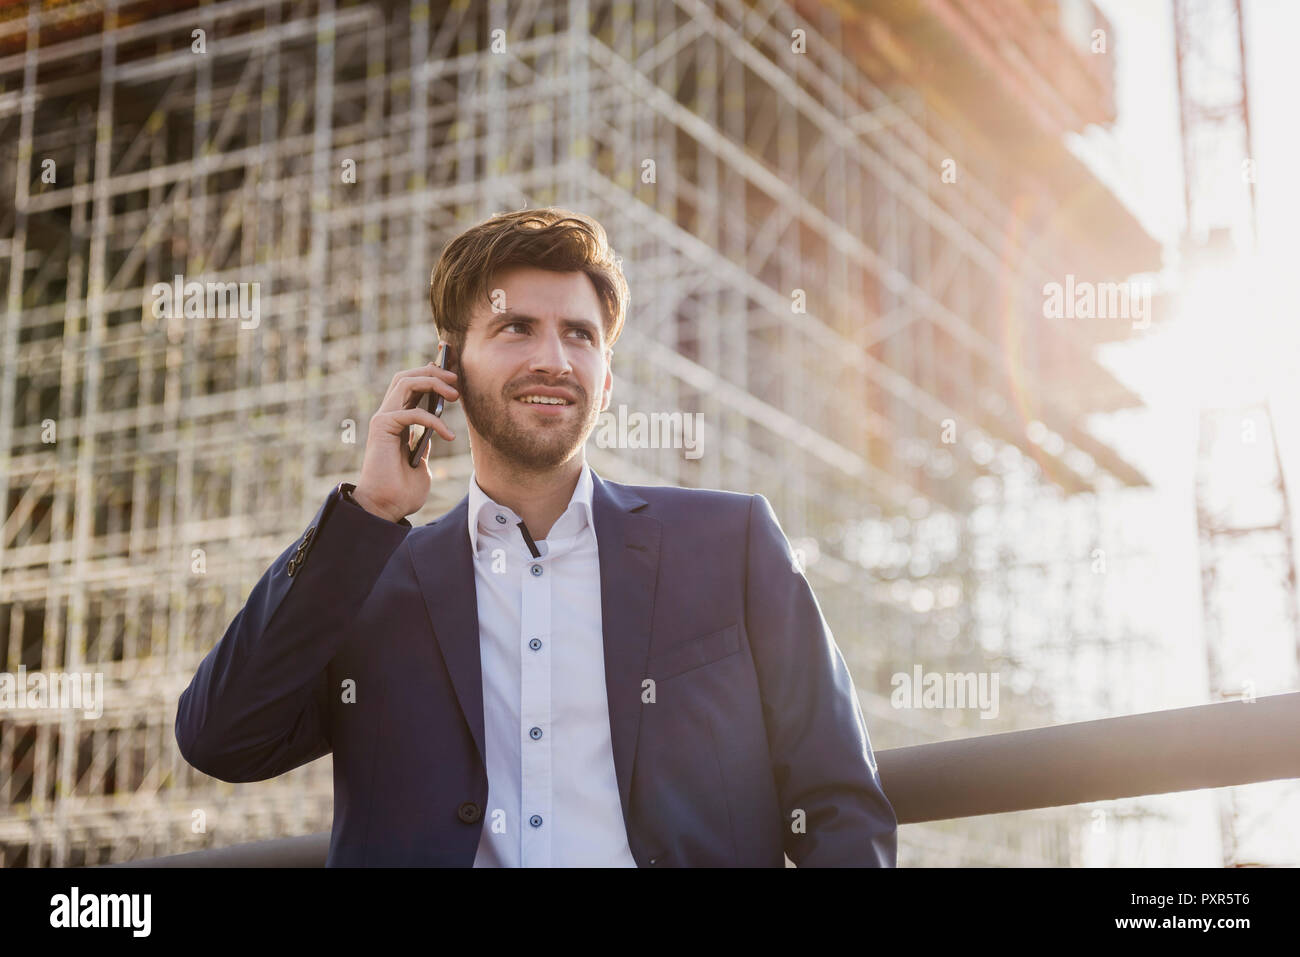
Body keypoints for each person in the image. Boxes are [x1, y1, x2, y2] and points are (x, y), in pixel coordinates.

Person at [175, 207, 897, 867]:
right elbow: (222, 739)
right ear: (449, 368)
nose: (553, 358)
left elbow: (839, 799)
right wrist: (366, 514)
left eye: (579, 334)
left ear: (606, 379)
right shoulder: (370, 577)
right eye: (516, 327)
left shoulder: (727, 543)